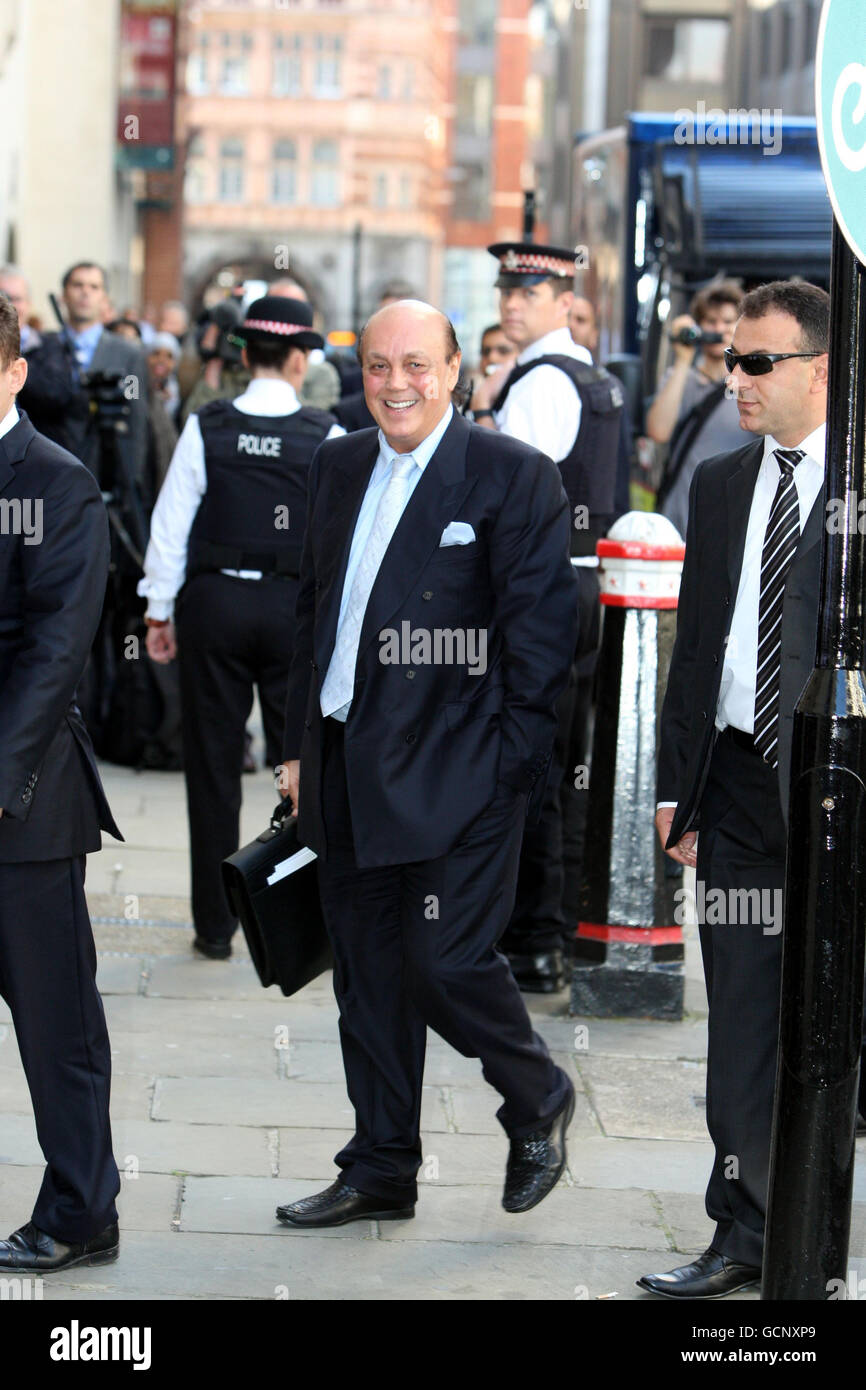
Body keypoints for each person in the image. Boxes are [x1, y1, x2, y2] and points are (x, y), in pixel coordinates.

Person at [275, 299, 578, 1228]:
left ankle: (536, 1095)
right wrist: (296, 746)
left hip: (459, 773)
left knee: (443, 961)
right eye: (376, 366)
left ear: (455, 369)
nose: (394, 384)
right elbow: (314, 613)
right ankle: (381, 1166)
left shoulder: (511, 476)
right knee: (365, 976)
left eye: (415, 364)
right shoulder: (333, 462)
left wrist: (507, 774)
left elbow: (543, 646)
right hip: (341, 765)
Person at [639, 279, 830, 1300]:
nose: (734, 380)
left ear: (819, 370)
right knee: (742, 1018)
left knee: (833, 1019)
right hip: (740, 786)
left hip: (841, 791)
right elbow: (695, 648)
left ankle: (815, 1228)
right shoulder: (717, 484)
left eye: (755, 363)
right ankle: (742, 1229)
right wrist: (678, 787)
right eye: (728, 359)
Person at [140, 296, 344, 960]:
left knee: (212, 769)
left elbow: (169, 527)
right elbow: (345, 545)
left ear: (242, 355)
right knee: (305, 768)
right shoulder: (325, 435)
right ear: (296, 358)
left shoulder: (209, 425)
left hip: (216, 607)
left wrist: (157, 610)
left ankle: (214, 928)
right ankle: (309, 920)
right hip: (294, 617)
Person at [0, 293, 123, 1272]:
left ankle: (82, 1208)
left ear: (11, 373)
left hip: (25, 805)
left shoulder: (56, 481)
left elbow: (54, 652)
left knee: (55, 1024)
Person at [469, 242, 623, 993]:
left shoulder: (540, 384)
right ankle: (553, 933)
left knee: (525, 767)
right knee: (564, 769)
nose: (511, 303)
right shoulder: (594, 378)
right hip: (589, 583)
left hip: (541, 594)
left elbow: (501, 497)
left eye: (530, 292)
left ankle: (529, 940)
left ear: (565, 299)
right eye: (507, 289)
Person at [646, 280, 744, 540]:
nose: (719, 329)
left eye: (727, 321)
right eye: (710, 322)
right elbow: (658, 431)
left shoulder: (749, 386)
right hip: (679, 518)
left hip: (729, 520)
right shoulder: (680, 378)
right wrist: (683, 360)